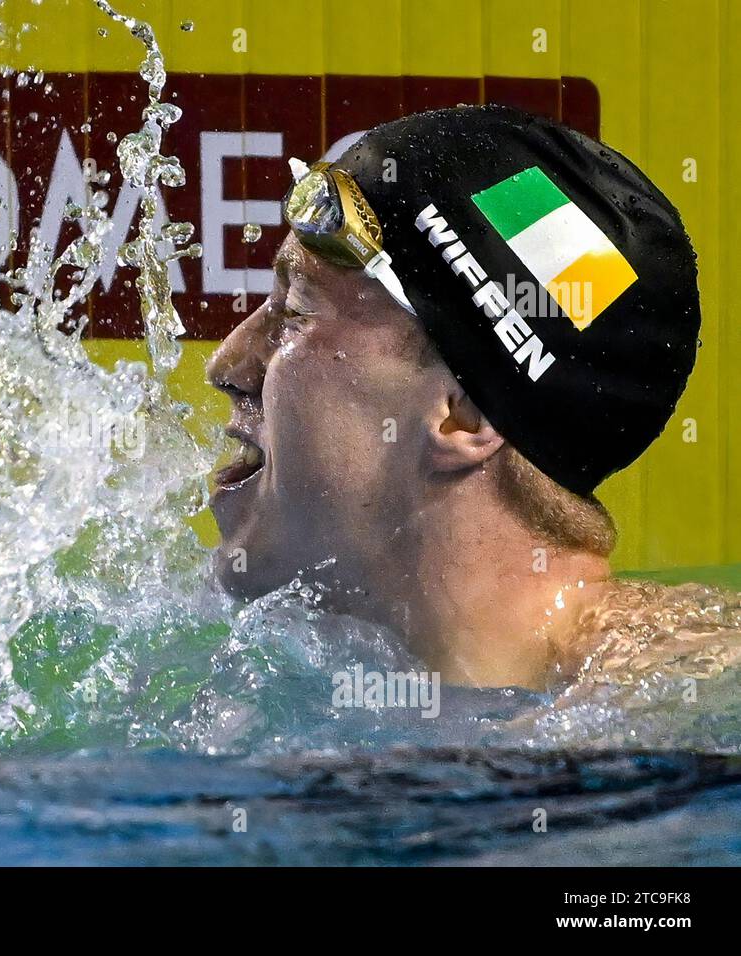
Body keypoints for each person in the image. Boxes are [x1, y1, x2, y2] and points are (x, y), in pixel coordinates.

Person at [205, 104, 732, 691]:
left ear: (462, 416)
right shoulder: (301, 688)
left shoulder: (682, 703)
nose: (226, 365)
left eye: (296, 313)